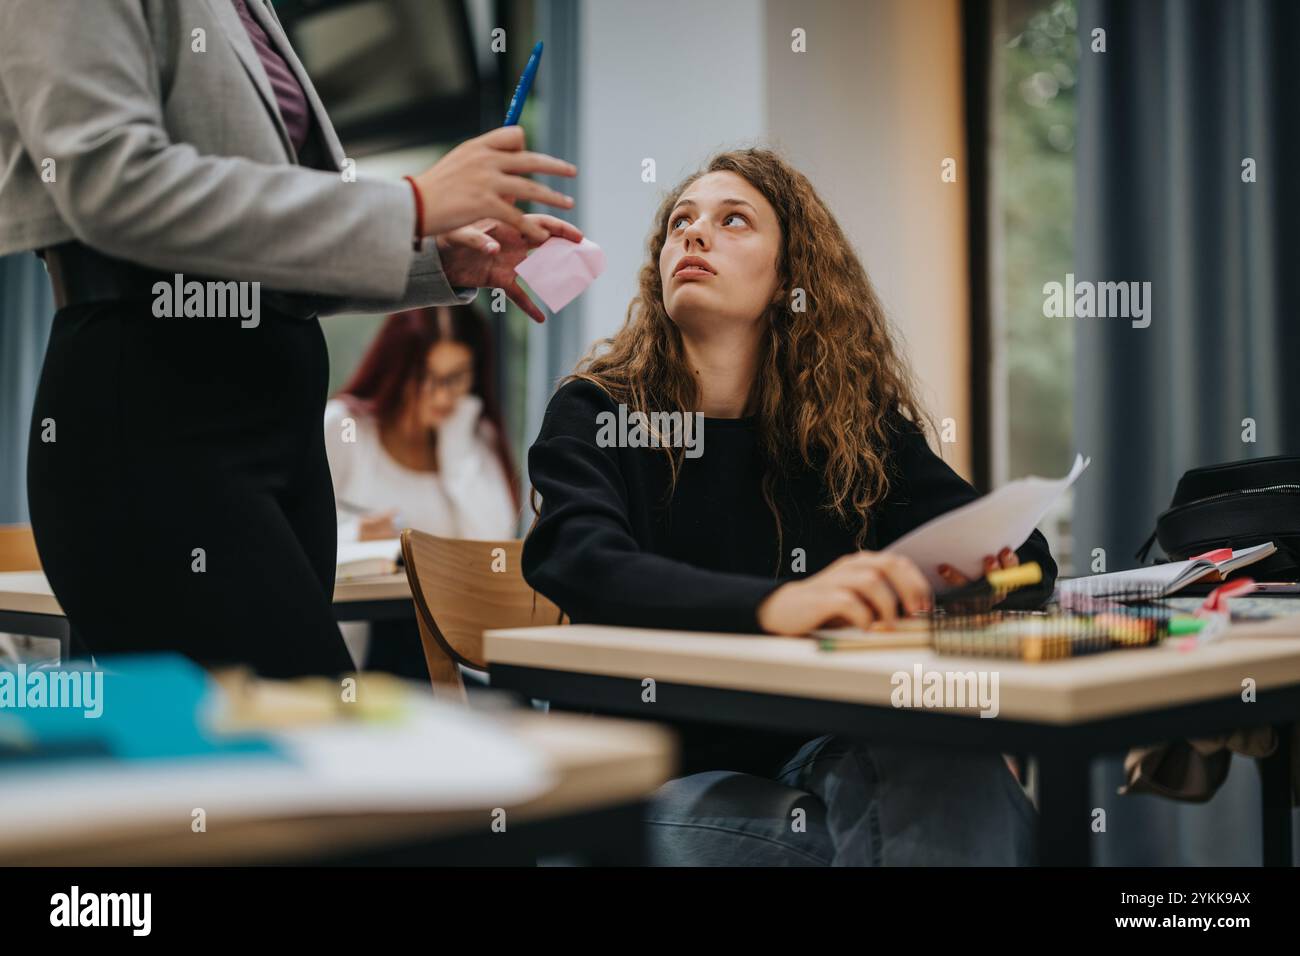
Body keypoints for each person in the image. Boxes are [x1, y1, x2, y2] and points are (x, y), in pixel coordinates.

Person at [0, 0, 578, 677]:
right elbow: (108, 181)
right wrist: (413, 203)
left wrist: (437, 258)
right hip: (159, 408)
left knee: (270, 747)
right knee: (296, 736)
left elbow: (279, 260)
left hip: (275, 437)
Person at [522, 149, 1055, 865]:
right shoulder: (597, 410)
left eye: (732, 220)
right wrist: (778, 607)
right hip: (648, 783)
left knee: (948, 761)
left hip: (817, 757)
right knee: (916, 833)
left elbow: (1024, 560)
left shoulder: (853, 429)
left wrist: (962, 579)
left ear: (791, 279)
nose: (694, 235)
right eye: (681, 223)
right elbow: (578, 561)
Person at [325, 306, 518, 674]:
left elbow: (495, 550)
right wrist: (354, 535)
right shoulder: (345, 429)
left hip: (451, 650)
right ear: (396, 371)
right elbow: (295, 543)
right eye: (427, 378)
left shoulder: (472, 435)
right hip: (360, 646)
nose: (442, 396)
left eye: (456, 378)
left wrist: (456, 448)